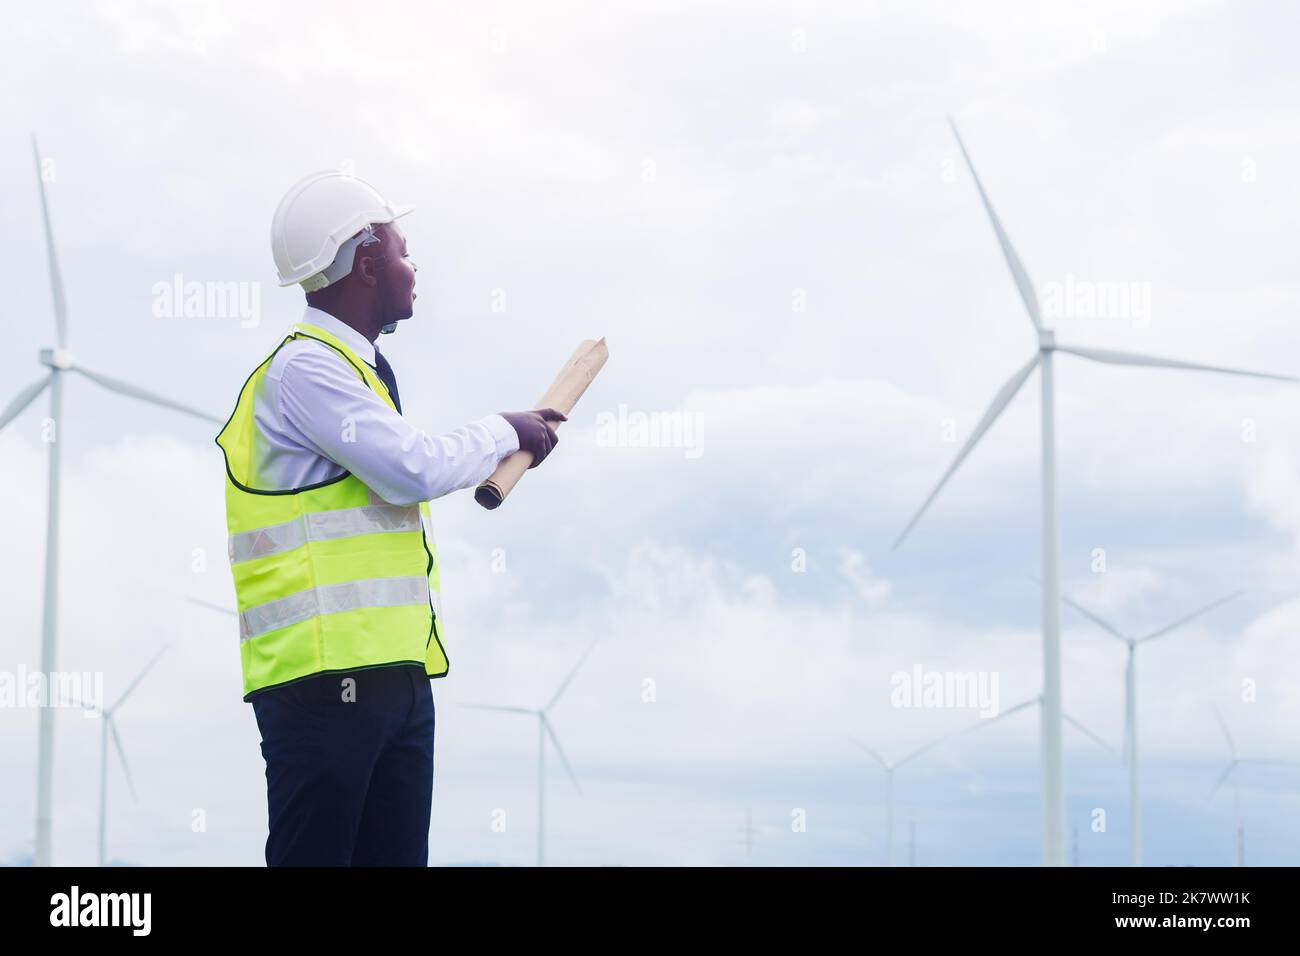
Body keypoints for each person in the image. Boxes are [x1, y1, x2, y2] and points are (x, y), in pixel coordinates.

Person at [214, 170, 565, 866]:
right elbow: (413, 469)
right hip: (322, 685)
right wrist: (507, 429)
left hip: (394, 677)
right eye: (404, 251)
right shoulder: (305, 372)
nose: (414, 267)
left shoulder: (358, 372)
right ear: (367, 261)